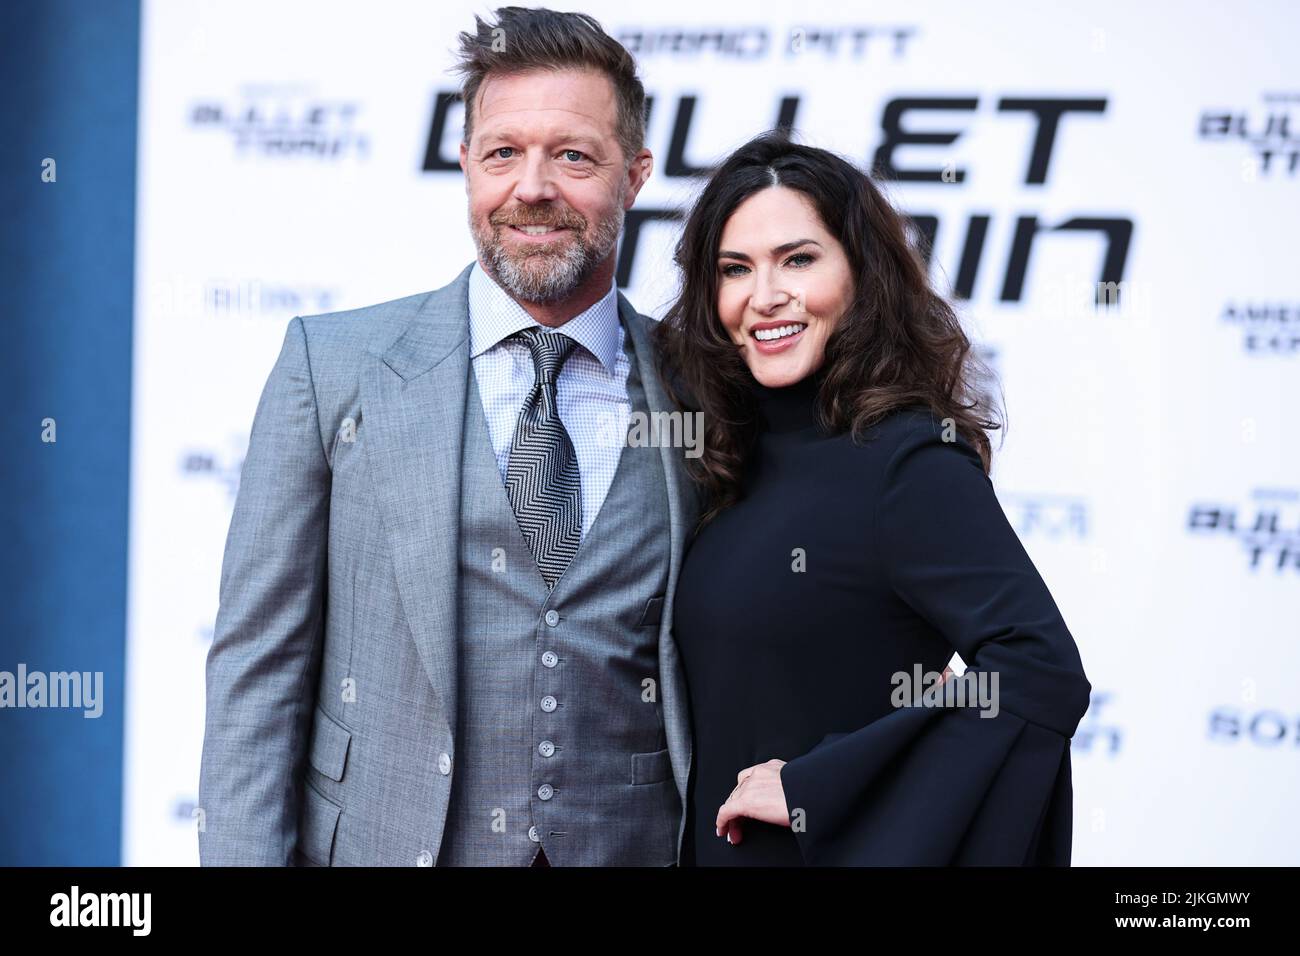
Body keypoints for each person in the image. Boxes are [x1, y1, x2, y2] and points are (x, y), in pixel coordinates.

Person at [198, 7, 702, 867]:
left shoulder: (704, 386)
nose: (532, 187)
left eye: (573, 156)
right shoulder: (332, 367)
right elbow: (257, 670)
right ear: (466, 164)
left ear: (635, 175)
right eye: (503, 153)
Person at [653, 130, 1093, 866]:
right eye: (735, 269)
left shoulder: (907, 461)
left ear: (863, 272)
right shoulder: (723, 454)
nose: (765, 296)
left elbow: (1038, 670)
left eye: (798, 259)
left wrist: (816, 787)